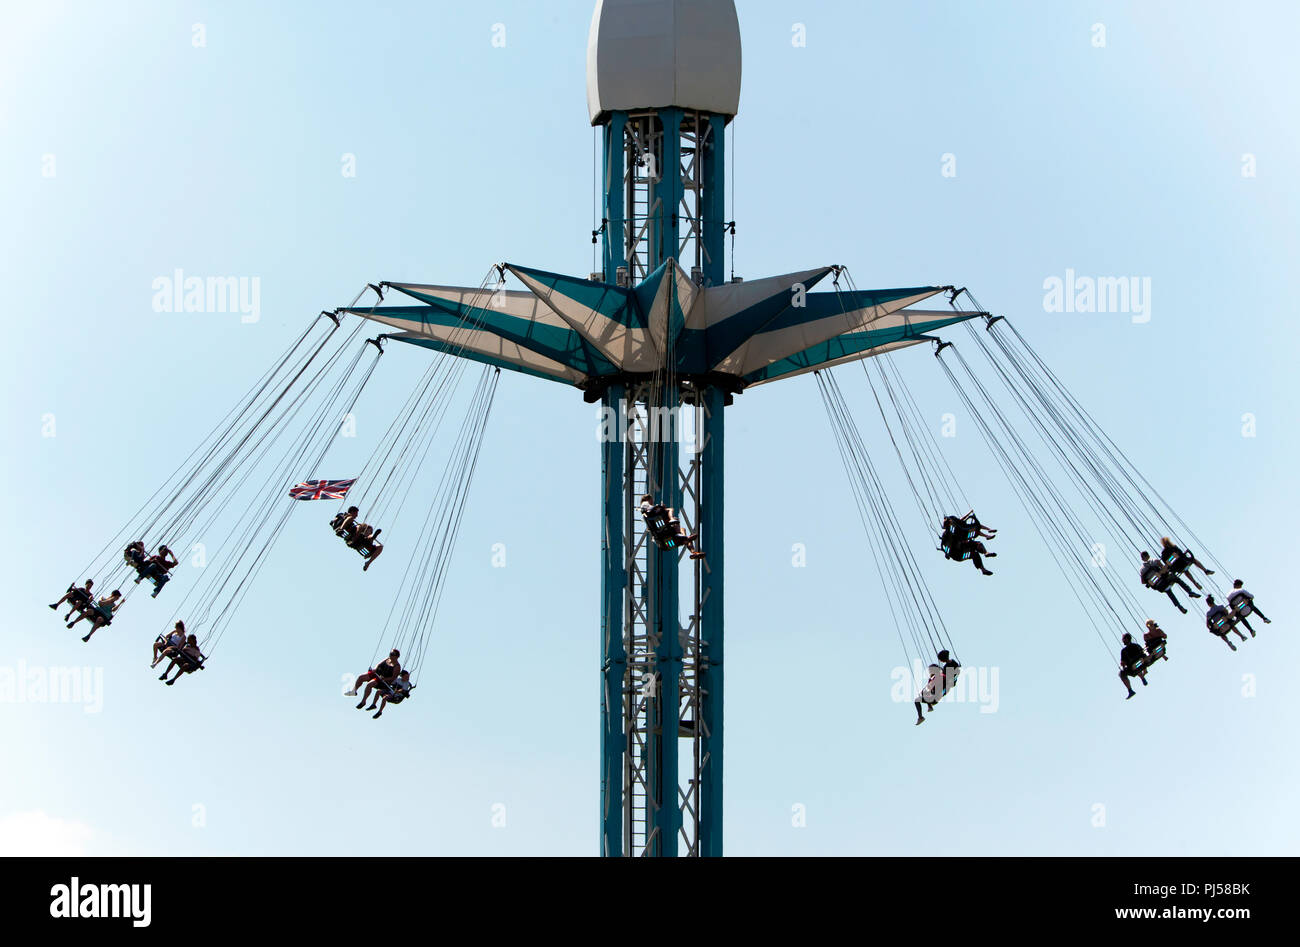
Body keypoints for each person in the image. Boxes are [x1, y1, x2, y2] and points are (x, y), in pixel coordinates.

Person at [639, 495, 704, 559]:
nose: (652, 502)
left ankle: (693, 551)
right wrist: (661, 507)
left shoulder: (653, 518)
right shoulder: (645, 504)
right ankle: (682, 536)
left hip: (666, 545)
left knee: (683, 530)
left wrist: (661, 509)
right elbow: (651, 510)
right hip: (665, 537)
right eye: (651, 501)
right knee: (671, 511)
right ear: (648, 499)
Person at [914, 650, 960, 725]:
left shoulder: (940, 675)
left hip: (935, 697)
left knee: (917, 699)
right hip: (940, 691)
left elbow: (925, 690)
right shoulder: (952, 663)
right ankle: (929, 706)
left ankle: (921, 717)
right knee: (926, 692)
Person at [333, 506, 384, 571]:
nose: (356, 516)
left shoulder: (358, 531)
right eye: (356, 514)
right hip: (351, 536)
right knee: (360, 525)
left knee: (380, 546)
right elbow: (334, 520)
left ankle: (368, 562)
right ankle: (341, 529)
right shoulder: (344, 515)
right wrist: (345, 516)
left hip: (360, 541)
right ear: (352, 512)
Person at [1118, 633, 1149, 699]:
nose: (1122, 640)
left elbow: (1123, 663)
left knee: (1122, 673)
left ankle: (1130, 690)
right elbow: (1143, 654)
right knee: (1136, 665)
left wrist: (1123, 666)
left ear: (1126, 639)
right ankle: (1142, 678)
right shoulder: (1137, 645)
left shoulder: (1124, 651)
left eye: (1123, 639)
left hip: (1133, 668)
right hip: (1141, 664)